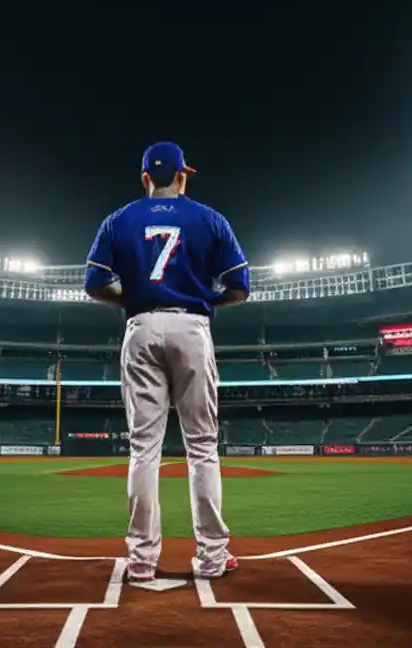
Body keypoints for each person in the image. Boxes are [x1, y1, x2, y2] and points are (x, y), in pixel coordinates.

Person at [83, 141, 250, 582]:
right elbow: (240, 287)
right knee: (202, 449)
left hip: (140, 326)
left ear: (144, 178)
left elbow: (94, 283)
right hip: (192, 327)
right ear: (183, 175)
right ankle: (213, 556)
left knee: (143, 450)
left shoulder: (118, 220)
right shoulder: (209, 219)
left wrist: (131, 299)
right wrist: (207, 300)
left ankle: (141, 559)